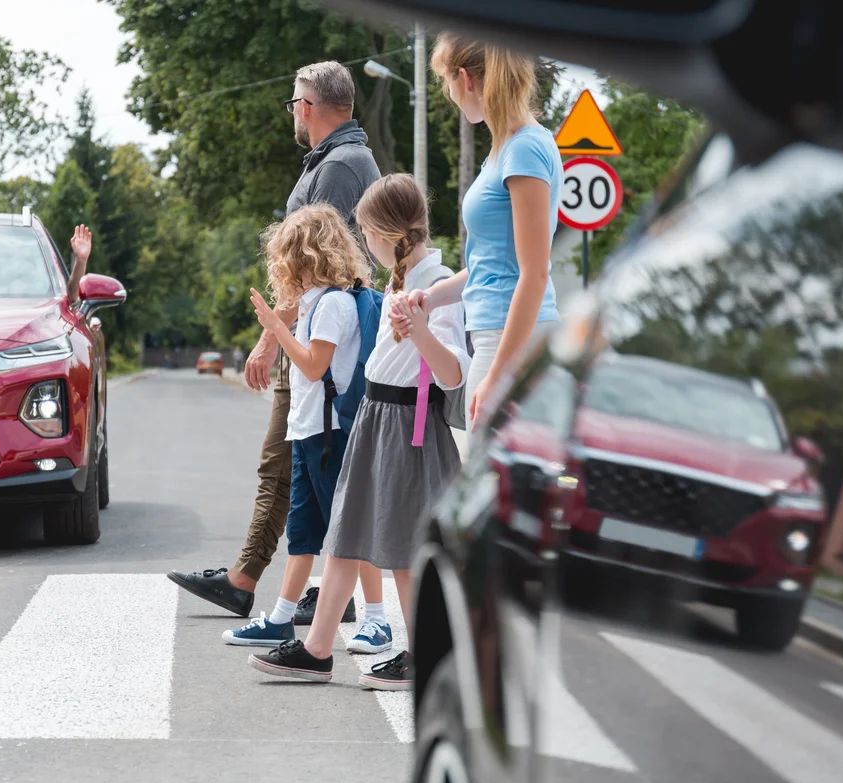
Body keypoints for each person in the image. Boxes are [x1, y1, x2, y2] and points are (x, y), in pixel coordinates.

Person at [167, 60, 383, 627]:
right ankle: (293, 583)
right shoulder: (337, 161)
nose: (292, 112)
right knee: (298, 469)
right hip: (312, 334)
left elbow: (317, 266)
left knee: (291, 466)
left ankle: (258, 583)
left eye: (293, 102)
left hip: (316, 340)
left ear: (308, 107)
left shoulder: (339, 168)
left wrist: (269, 341)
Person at [248, 174, 468, 688]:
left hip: (407, 424)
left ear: (388, 234)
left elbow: (453, 373)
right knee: (347, 533)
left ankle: (422, 655)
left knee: (403, 543)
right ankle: (318, 649)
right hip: (377, 416)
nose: (362, 242)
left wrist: (419, 327)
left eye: (366, 232)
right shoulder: (402, 276)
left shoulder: (437, 285)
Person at [222, 204, 381, 647]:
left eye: (286, 255)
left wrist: (276, 327)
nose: (281, 267)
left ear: (304, 255)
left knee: (350, 531)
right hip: (309, 430)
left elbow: (313, 367)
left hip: (330, 433)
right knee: (303, 531)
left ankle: (378, 618)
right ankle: (281, 617)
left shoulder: (332, 305)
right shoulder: (317, 303)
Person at [391, 35, 562, 447]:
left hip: (509, 342)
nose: (449, 95)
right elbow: (490, 267)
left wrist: (500, 373)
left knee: (494, 495)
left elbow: (534, 274)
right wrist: (429, 298)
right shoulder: (508, 148)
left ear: (465, 79)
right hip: (502, 336)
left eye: (445, 82)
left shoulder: (523, 150)